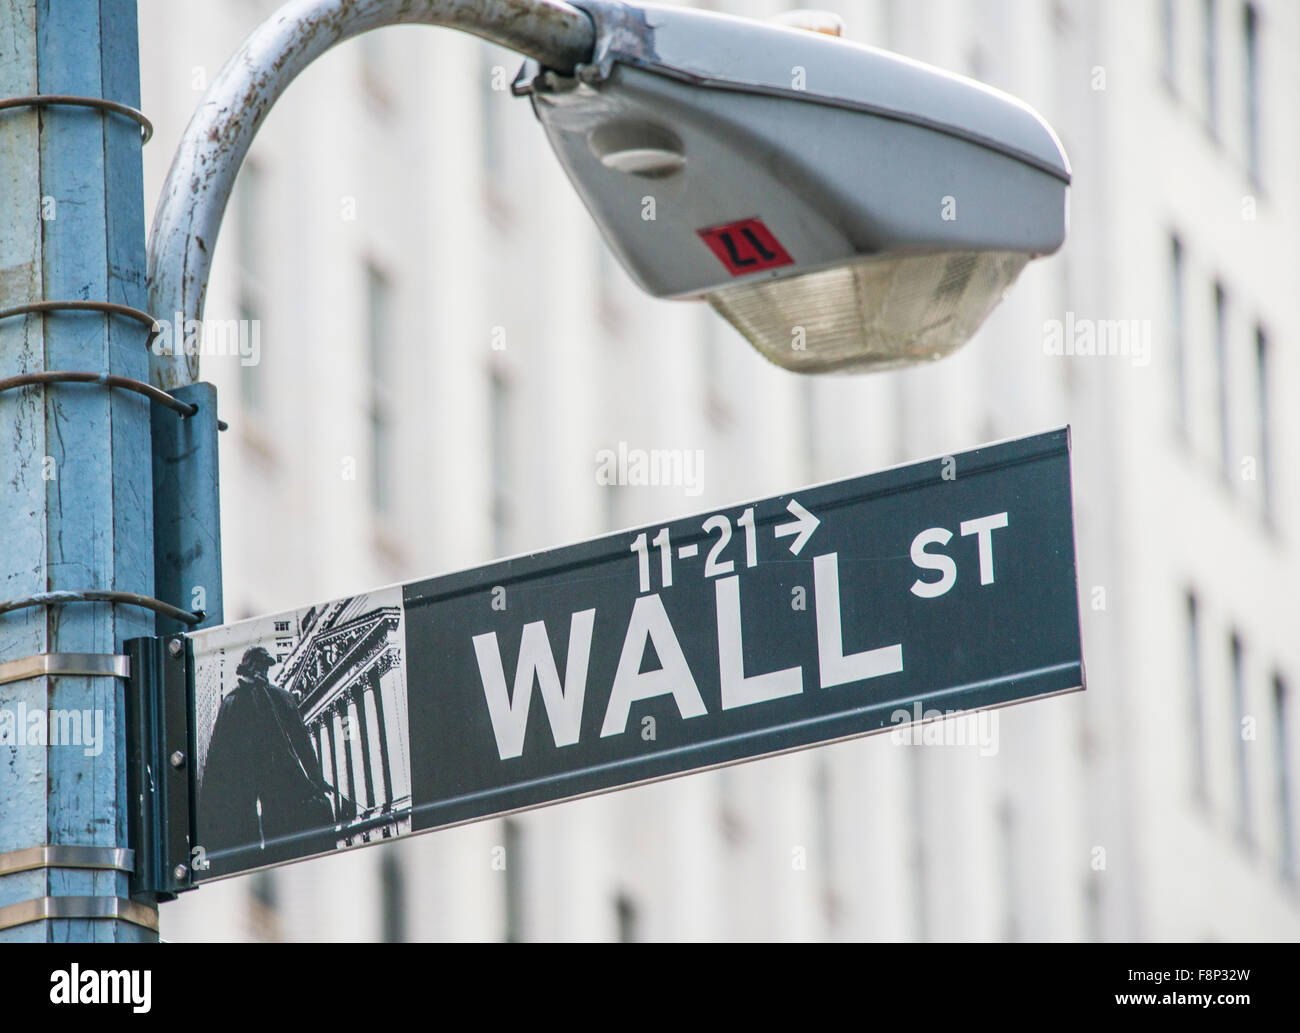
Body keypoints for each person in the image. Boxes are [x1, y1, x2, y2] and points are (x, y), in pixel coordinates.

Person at [198, 646, 346, 875]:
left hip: (283, 781)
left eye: (266, 666)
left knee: (288, 835)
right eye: (259, 665)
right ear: (247, 667)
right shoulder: (232, 702)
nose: (263, 671)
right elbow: (218, 755)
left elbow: (302, 742)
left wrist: (316, 779)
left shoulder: (280, 697)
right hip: (247, 788)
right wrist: (210, 801)